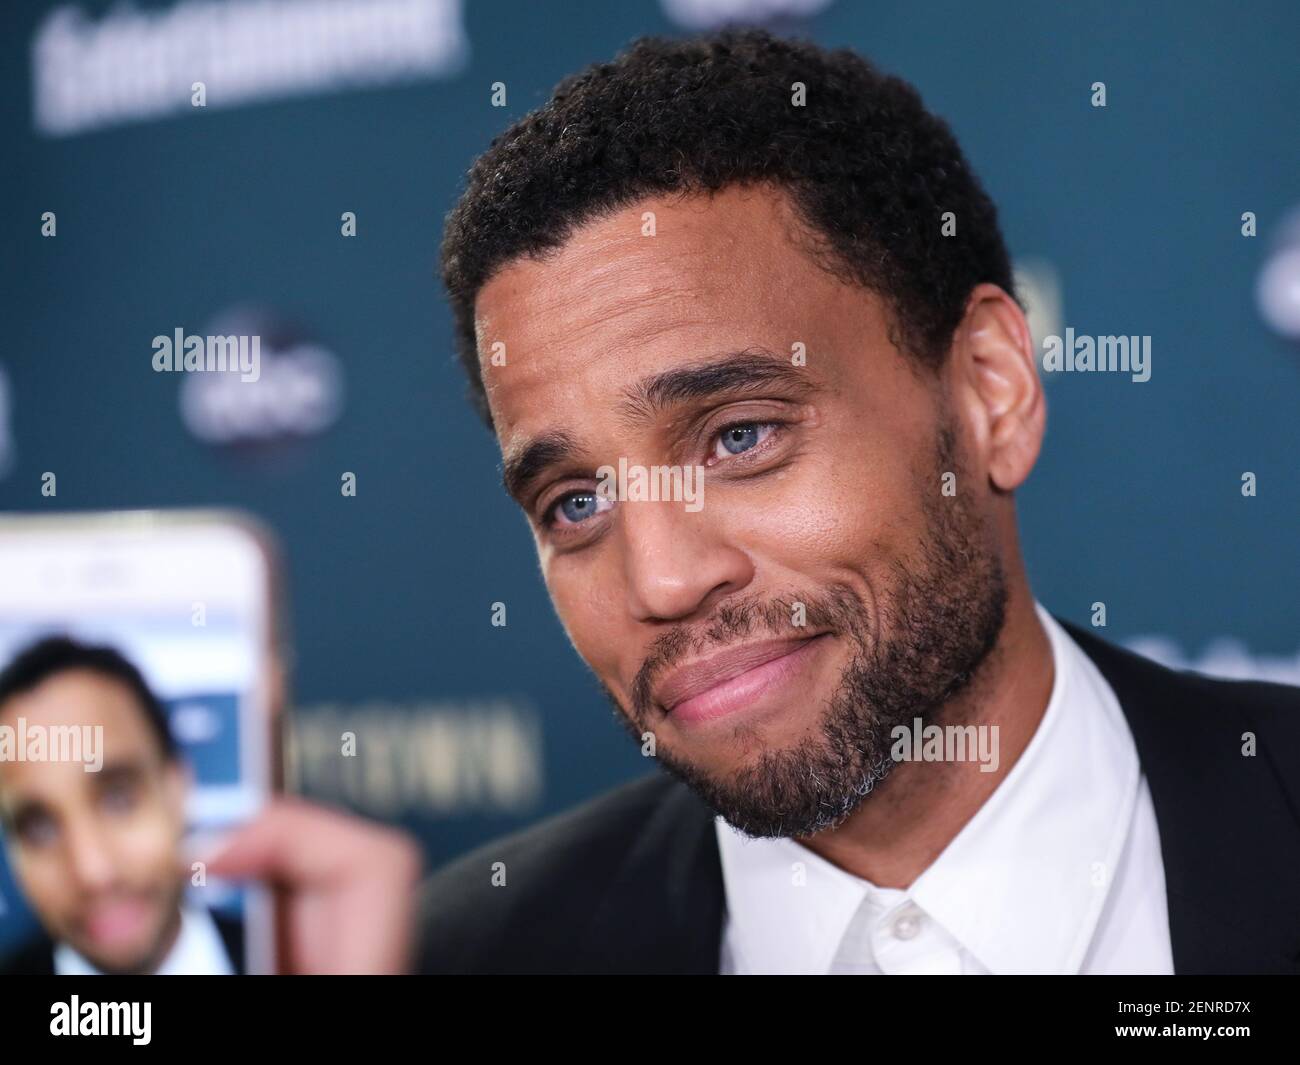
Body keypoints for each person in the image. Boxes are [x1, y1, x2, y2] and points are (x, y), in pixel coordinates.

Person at [206, 29, 1300, 975]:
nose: (662, 579)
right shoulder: (461, 957)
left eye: (739, 437)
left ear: (987, 390)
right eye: (575, 503)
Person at [0, 636, 244, 975]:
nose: (93, 873)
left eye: (118, 800)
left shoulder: (296, 958)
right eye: (39, 829)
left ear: (177, 788)